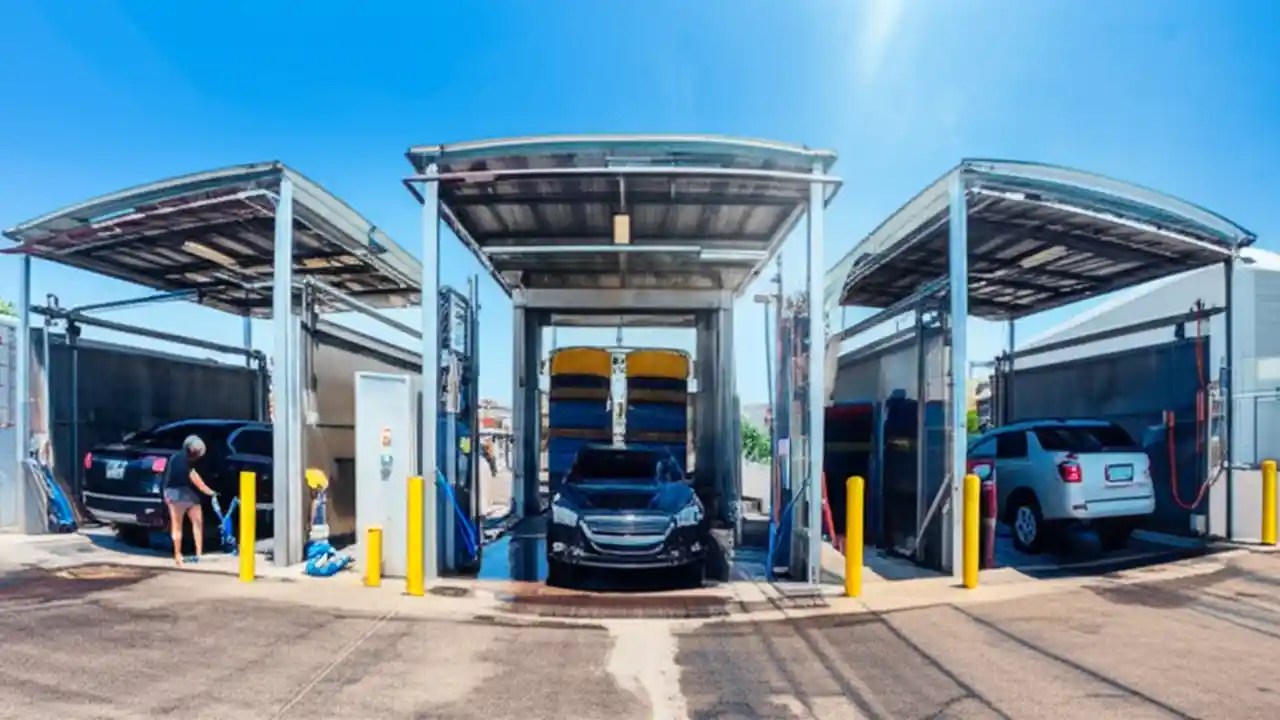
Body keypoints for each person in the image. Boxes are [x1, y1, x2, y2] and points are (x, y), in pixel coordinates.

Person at [162, 435, 217, 566]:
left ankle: (177, 555)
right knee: (197, 523)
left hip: (171, 493)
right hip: (187, 494)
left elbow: (167, 478)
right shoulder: (188, 462)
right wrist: (209, 491)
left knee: (176, 526)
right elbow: (195, 479)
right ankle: (198, 554)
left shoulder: (174, 457)